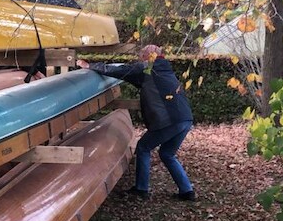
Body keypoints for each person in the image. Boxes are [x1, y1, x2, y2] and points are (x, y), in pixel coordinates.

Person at [77, 45, 195, 201]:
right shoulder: (163, 69)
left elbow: (121, 71)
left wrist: (89, 66)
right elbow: (139, 80)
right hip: (185, 119)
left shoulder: (147, 68)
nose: (139, 58)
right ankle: (187, 191)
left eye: (141, 55)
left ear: (147, 56)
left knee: (143, 147)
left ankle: (141, 189)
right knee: (167, 154)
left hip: (169, 120)